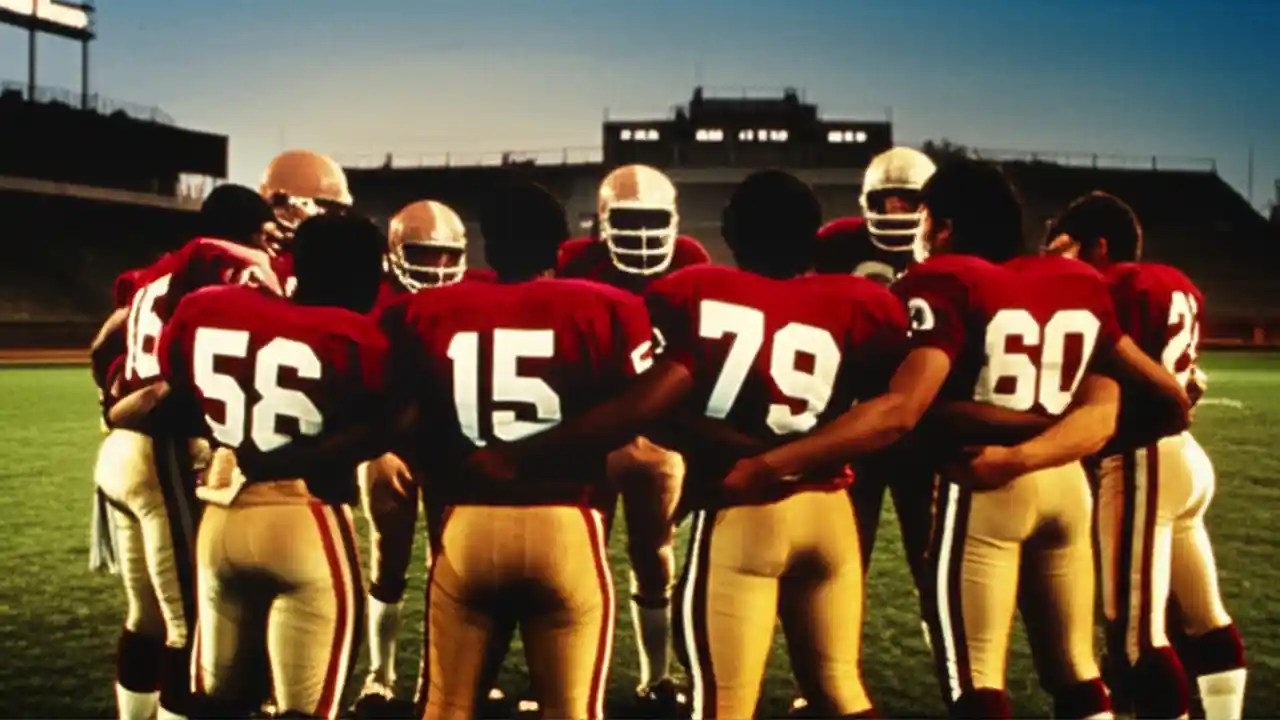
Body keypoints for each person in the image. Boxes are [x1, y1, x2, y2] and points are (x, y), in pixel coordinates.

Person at [380, 180, 654, 720]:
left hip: (466, 526)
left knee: (446, 708)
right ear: (560, 246)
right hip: (568, 523)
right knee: (572, 711)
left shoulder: (423, 312)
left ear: (487, 243)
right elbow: (644, 407)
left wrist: (440, 461)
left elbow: (394, 417)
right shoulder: (609, 307)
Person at [154, 214, 390, 718]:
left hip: (220, 525)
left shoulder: (209, 308)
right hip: (305, 522)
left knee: (216, 705)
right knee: (304, 711)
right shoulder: (357, 337)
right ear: (365, 275)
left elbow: (178, 392)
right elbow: (387, 422)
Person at [1048, 191, 1246, 720]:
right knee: (1204, 617)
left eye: (1067, 246)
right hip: (1183, 458)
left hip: (1141, 459)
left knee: (1135, 635)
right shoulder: (1175, 281)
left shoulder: (1110, 286)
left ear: (1098, 245)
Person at [93, 184, 281, 720]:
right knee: (191, 626)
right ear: (250, 232)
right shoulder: (220, 260)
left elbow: (102, 345)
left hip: (122, 451)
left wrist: (111, 403)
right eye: (265, 235)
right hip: (164, 452)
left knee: (147, 619)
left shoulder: (153, 275)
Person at [556, 163, 710, 711]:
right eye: (628, 221)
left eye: (652, 220)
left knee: (654, 556)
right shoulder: (576, 263)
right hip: (595, 433)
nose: (642, 235)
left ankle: (656, 676)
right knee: (576, 561)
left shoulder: (691, 263)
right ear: (602, 222)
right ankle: (572, 682)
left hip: (659, 436)